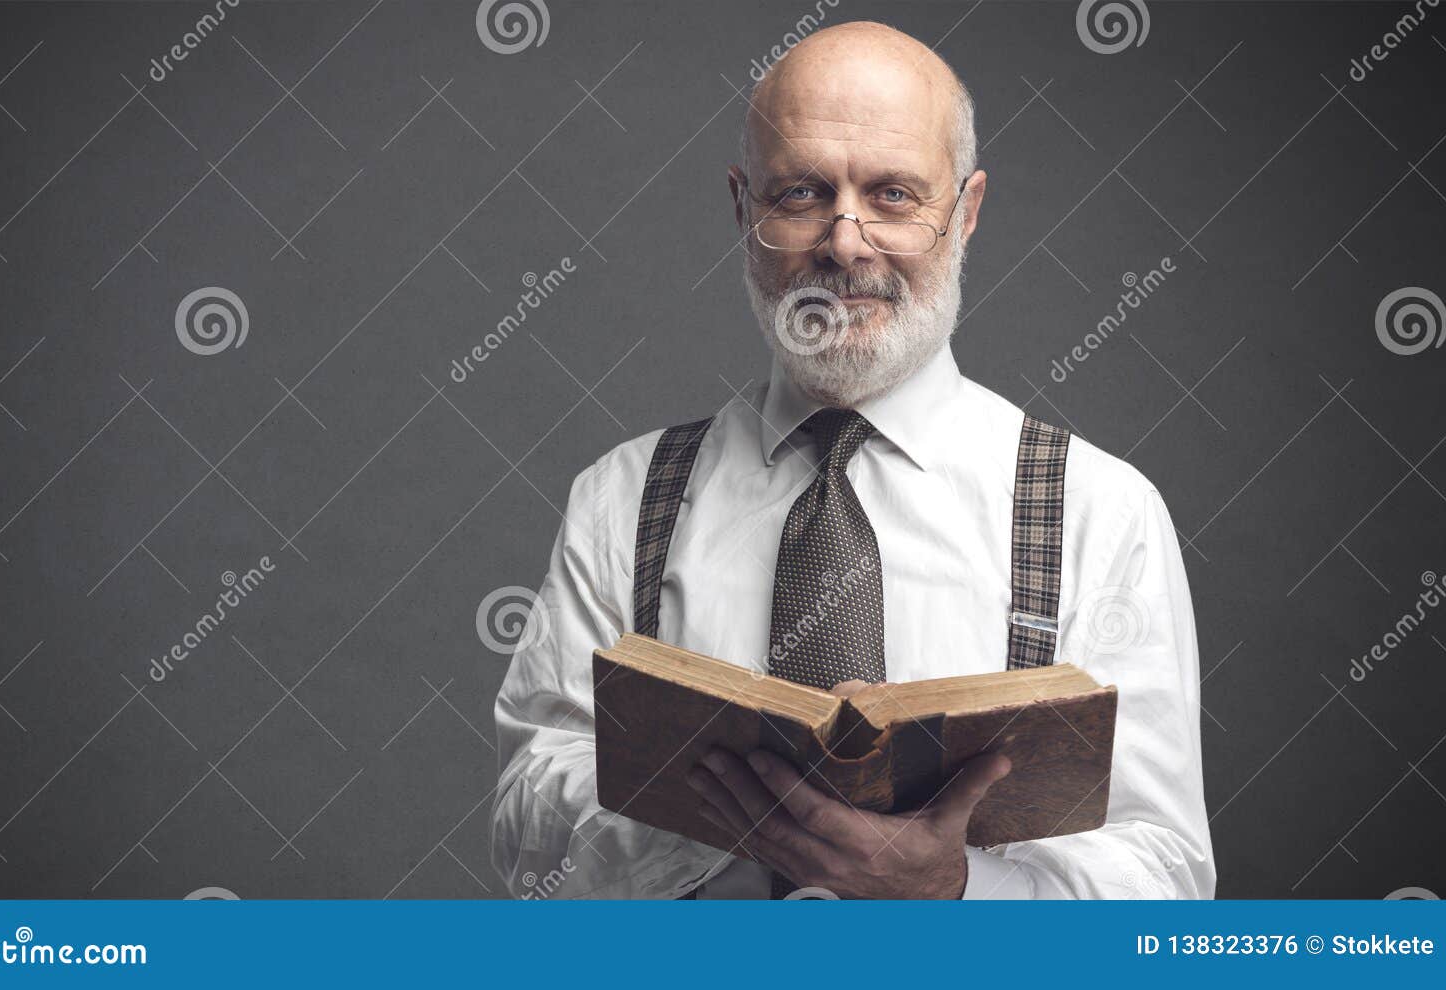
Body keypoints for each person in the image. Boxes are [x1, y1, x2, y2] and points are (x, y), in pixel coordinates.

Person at [490, 21, 1215, 899]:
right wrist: (727, 822)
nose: (845, 243)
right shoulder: (622, 498)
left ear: (967, 212)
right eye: (800, 193)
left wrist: (952, 893)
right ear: (742, 207)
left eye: (895, 195)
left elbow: (1163, 873)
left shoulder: (1103, 510)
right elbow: (527, 829)